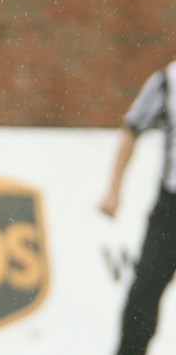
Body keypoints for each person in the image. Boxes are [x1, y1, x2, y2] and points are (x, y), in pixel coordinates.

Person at [100, 59, 176, 355]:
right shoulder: (167, 80)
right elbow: (131, 129)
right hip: (171, 208)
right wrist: (114, 190)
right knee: (144, 291)